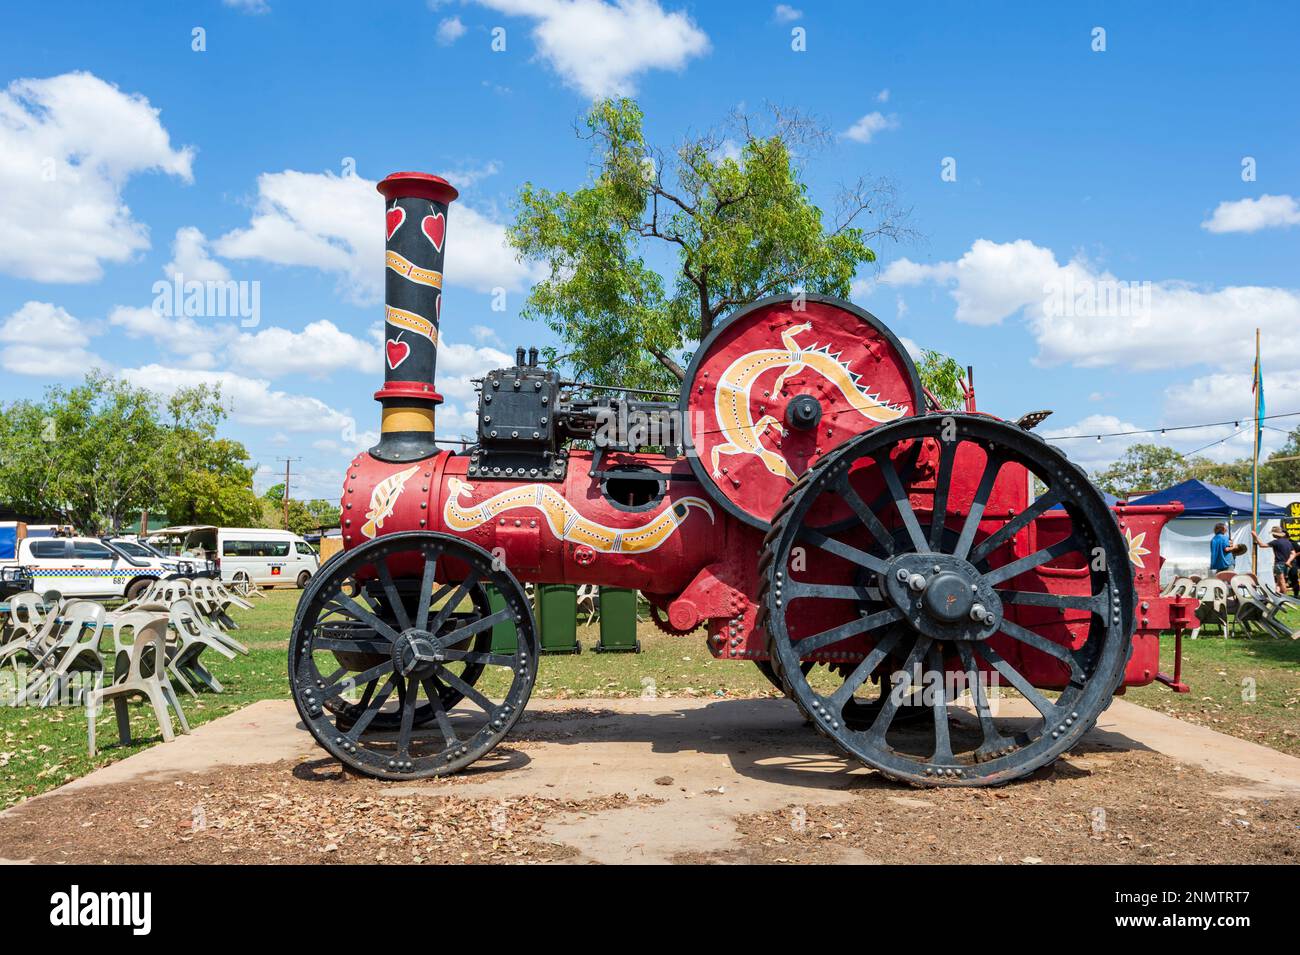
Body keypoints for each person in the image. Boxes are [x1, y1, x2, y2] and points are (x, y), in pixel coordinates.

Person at [1253, 526, 1294, 592]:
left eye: (1273, 533)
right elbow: (1293, 553)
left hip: (1279, 564)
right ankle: (1277, 594)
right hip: (1286, 565)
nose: (1272, 535)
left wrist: (1255, 536)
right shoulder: (1288, 542)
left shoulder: (1276, 542)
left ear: (1275, 534)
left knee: (1281, 581)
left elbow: (1262, 545)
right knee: (1279, 581)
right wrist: (1288, 561)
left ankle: (1285, 598)